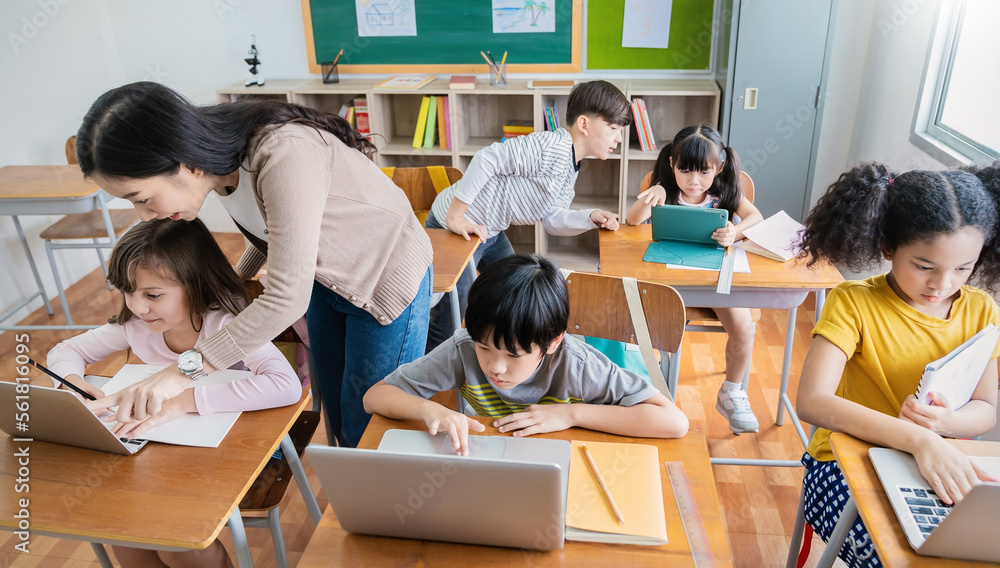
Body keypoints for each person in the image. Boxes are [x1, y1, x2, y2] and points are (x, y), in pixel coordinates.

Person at [74, 81, 433, 448]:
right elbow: (273, 230)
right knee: (341, 415)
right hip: (326, 280)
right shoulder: (219, 163)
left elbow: (286, 299)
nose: (146, 215)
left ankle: (384, 502)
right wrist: (232, 281)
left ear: (182, 161)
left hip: (384, 281)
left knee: (370, 429)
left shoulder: (283, 154)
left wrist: (178, 374)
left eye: (144, 198)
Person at [46, 218, 300, 568]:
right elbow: (65, 351)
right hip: (164, 453)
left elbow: (284, 385)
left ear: (196, 284)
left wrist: (184, 402)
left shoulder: (225, 326)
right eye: (127, 292)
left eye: (153, 295)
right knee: (123, 533)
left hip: (238, 451)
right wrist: (73, 384)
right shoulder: (136, 327)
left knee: (176, 545)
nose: (138, 307)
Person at [795, 162, 1000, 567]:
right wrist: (919, 440)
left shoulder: (981, 310)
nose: (941, 285)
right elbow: (812, 401)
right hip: (843, 465)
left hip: (938, 463)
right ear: (888, 248)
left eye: (963, 268)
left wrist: (946, 426)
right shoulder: (854, 302)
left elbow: (985, 411)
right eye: (924, 266)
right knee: (900, 558)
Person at [363, 254, 689, 456]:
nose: (495, 366)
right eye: (484, 347)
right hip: (507, 460)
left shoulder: (577, 365)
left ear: (552, 342)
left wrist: (570, 415)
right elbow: (375, 397)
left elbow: (673, 422)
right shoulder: (463, 349)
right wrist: (429, 408)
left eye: (513, 354)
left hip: (579, 459)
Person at [424, 80, 630, 351]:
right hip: (453, 227)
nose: (618, 138)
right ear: (584, 124)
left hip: (489, 231)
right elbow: (488, 158)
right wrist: (455, 217)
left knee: (517, 287)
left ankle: (500, 348)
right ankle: (423, 370)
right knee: (450, 310)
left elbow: (552, 219)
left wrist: (589, 217)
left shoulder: (571, 166)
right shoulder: (552, 147)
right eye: (614, 128)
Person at [625, 125, 763, 434]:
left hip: (715, 283)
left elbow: (756, 218)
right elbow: (632, 220)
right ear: (672, 163)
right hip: (670, 285)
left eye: (703, 172)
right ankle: (651, 386)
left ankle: (732, 391)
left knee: (743, 328)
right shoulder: (665, 192)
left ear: (719, 168)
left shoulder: (725, 192)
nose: (693, 181)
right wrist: (654, 193)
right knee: (653, 326)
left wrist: (736, 232)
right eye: (685, 170)